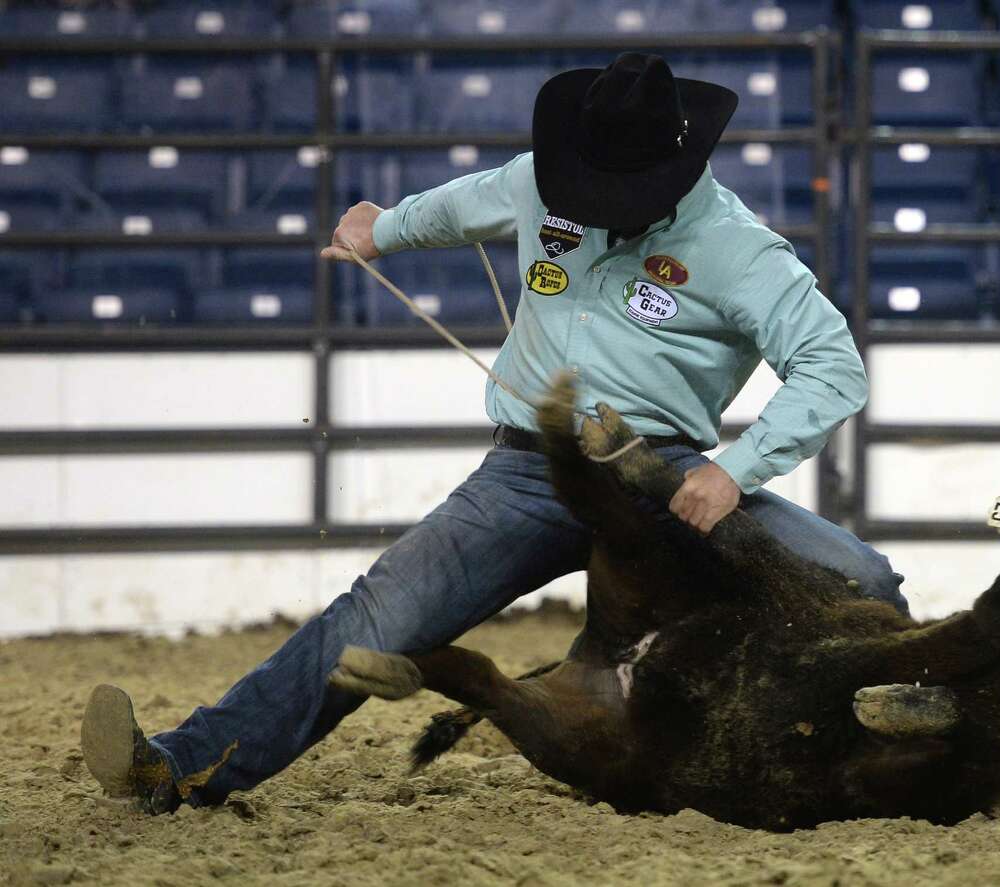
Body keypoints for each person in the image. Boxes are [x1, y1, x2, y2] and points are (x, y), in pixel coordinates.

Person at [81, 53, 906, 814]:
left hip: (663, 478)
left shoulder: (740, 251)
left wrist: (736, 468)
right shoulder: (537, 181)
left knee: (862, 581)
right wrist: (385, 227)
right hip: (530, 472)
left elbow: (834, 368)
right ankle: (180, 762)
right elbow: (457, 206)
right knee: (378, 614)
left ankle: (942, 725)